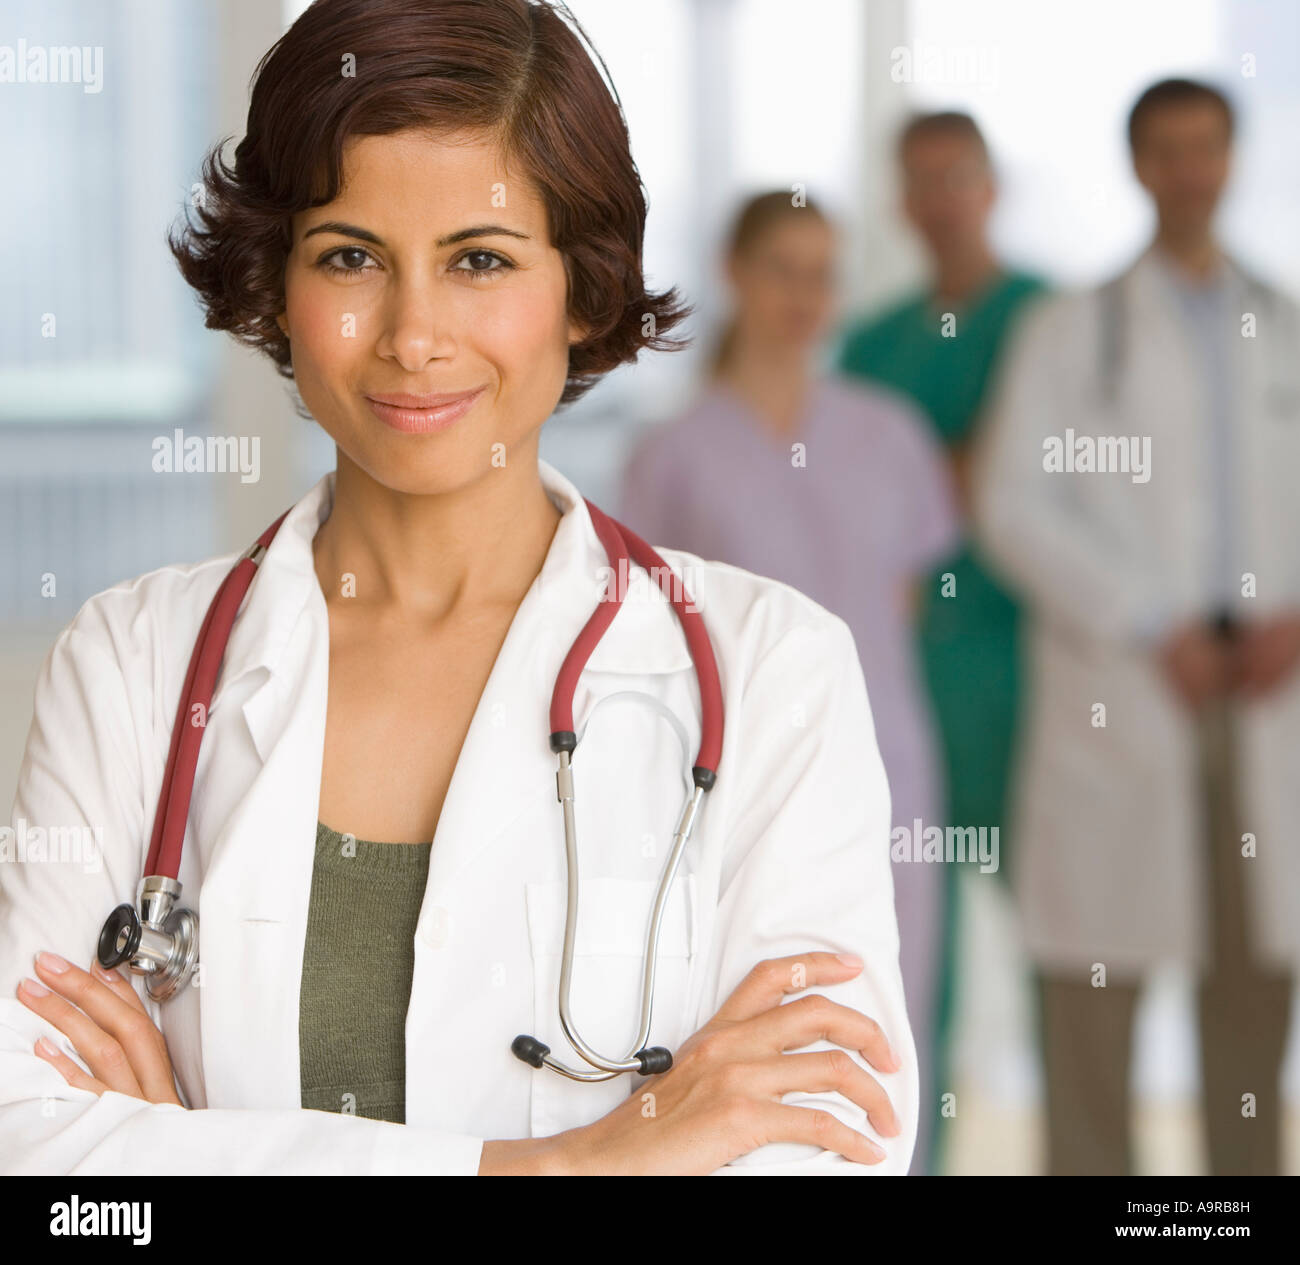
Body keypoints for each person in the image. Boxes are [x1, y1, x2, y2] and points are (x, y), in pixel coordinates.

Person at [0, 0, 918, 1177]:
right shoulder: (131, 663)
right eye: (349, 257)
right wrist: (576, 1162)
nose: (414, 334)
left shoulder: (773, 670)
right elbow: (38, 1156)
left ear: (583, 292)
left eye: (479, 259)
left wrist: (186, 1147)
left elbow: (824, 1143)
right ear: (273, 284)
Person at [974, 78, 1300, 1175]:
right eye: (1166, 150)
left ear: (1231, 159)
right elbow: (1010, 504)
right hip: (1129, 682)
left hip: (1266, 696)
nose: (1188, 171)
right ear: (1138, 165)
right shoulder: (1071, 331)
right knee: (1094, 1001)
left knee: (1252, 991)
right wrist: (1151, 619)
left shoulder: (1284, 322)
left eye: (1206, 147)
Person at [620, 192, 960, 1176]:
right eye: (783, 269)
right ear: (734, 272)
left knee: (886, 1010)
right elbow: (648, 629)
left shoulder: (888, 433)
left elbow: (903, 603)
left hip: (889, 755)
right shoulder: (674, 452)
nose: (805, 295)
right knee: (740, 1012)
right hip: (727, 772)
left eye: (823, 274)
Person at [834, 110, 1047, 1172]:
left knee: (1062, 943)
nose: (938, 200)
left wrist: (957, 471)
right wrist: (962, 465)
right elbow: (852, 500)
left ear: (991, 186)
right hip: (903, 675)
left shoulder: (1047, 319)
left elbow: (1020, 480)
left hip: (1032, 667)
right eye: (918, 180)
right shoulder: (872, 343)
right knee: (912, 947)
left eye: (956, 175)